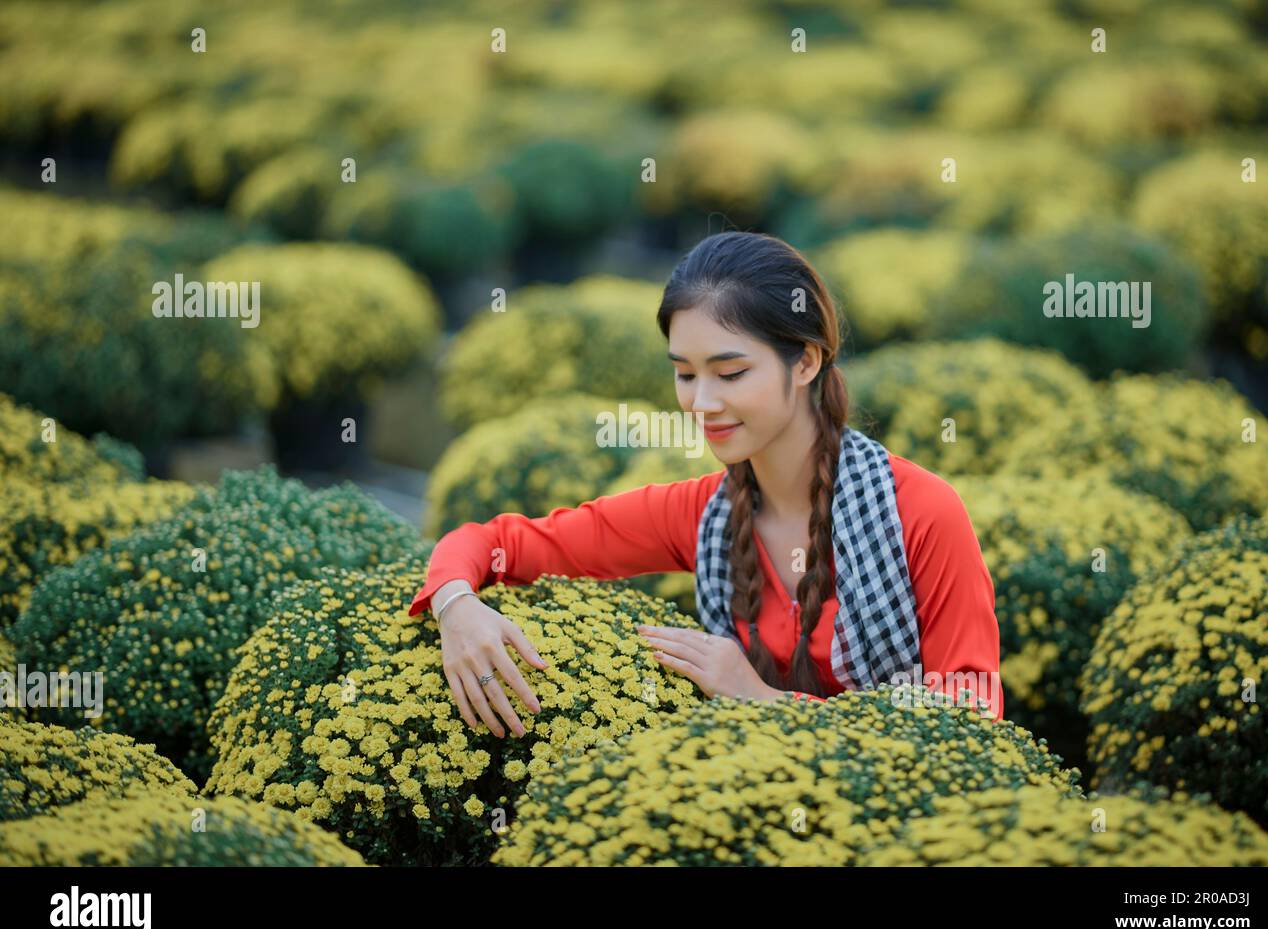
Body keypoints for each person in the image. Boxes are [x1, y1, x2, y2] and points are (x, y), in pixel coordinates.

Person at [408, 230, 1002, 739]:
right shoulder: (700, 513)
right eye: (685, 374)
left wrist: (760, 698)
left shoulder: (919, 512)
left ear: (805, 362)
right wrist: (458, 609)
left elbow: (970, 722)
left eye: (731, 372)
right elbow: (499, 544)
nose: (703, 402)